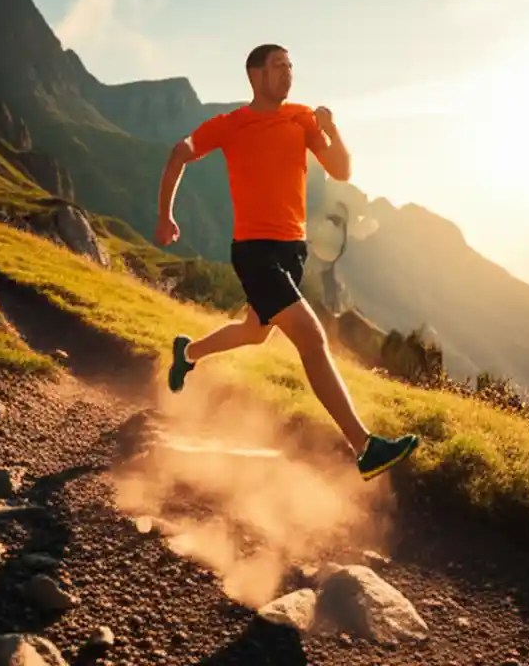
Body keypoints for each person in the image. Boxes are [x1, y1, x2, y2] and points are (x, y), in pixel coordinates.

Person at [153, 43, 420, 482]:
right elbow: (178, 153)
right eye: (279, 65)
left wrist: (332, 129)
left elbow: (341, 170)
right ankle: (365, 446)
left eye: (291, 65)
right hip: (254, 251)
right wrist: (165, 215)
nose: (288, 72)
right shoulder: (230, 125)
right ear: (255, 75)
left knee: (255, 333)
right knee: (311, 339)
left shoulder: (300, 119)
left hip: (293, 250)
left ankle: (189, 351)